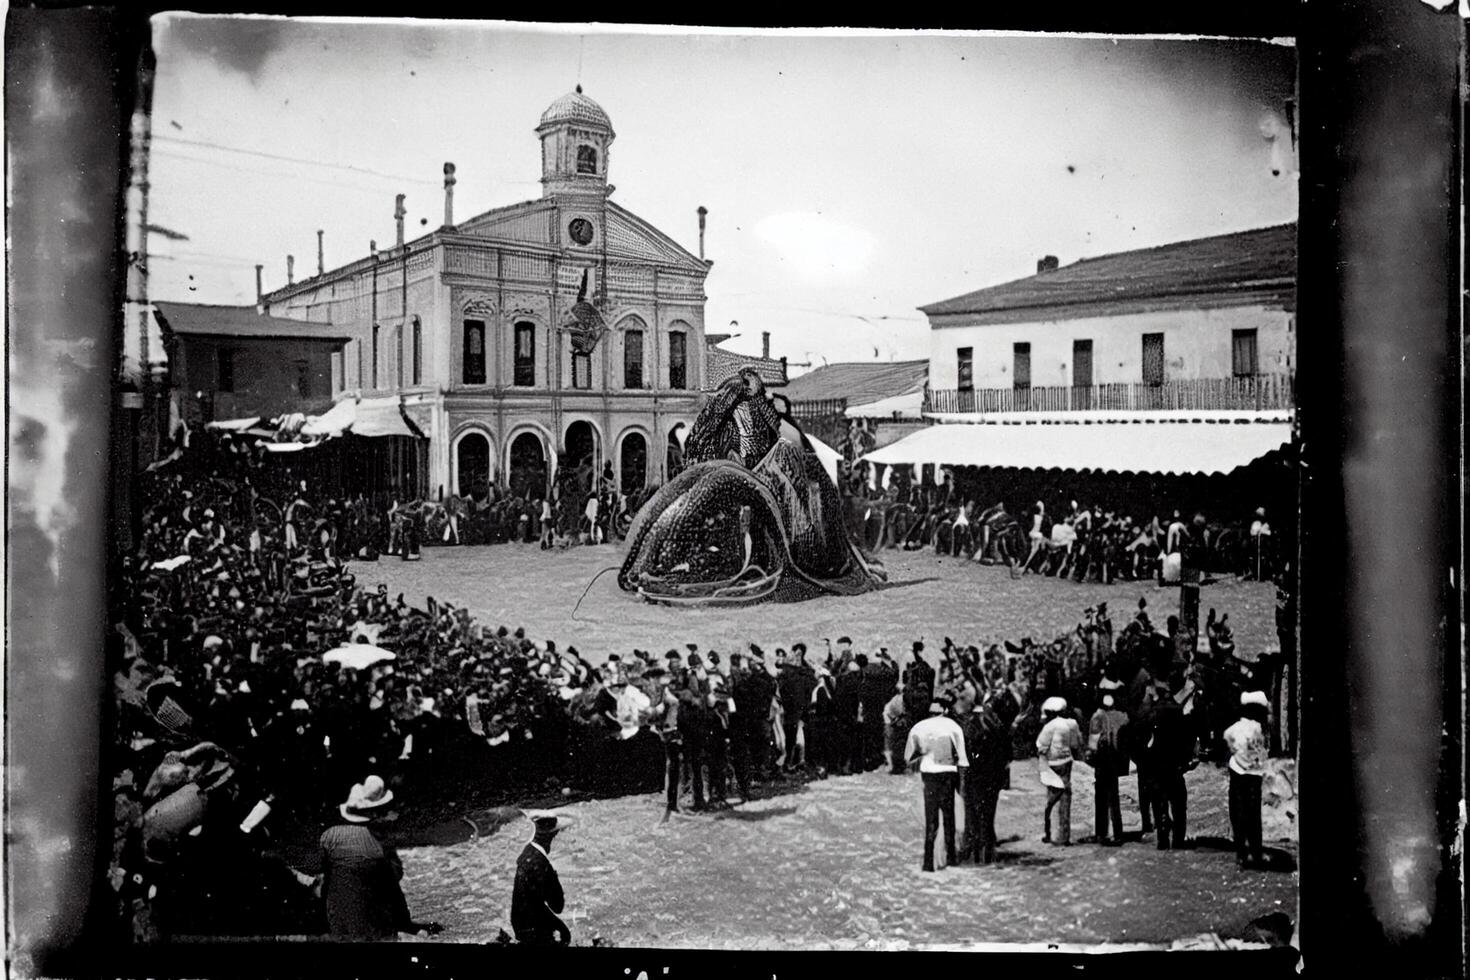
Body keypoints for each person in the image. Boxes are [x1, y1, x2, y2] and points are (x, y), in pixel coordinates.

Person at [318, 776, 441, 941]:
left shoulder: (332, 833)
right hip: (371, 922)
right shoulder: (377, 840)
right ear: (375, 812)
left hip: (336, 916)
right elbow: (393, 883)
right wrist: (404, 924)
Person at [961, 674, 1026, 864]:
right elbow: (1008, 756)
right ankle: (987, 855)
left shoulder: (971, 726)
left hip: (974, 777)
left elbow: (965, 753)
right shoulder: (1001, 731)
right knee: (988, 816)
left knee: (973, 813)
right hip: (993, 778)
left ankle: (973, 853)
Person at [904, 695, 968, 872]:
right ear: (945, 711)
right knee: (949, 816)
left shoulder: (919, 727)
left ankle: (928, 861)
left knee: (931, 819)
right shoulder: (954, 727)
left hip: (929, 775)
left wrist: (924, 752)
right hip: (948, 773)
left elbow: (908, 758)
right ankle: (951, 858)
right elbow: (962, 758)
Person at [511, 810, 574, 946]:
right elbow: (557, 906)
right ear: (549, 836)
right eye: (554, 833)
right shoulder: (541, 864)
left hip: (521, 925)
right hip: (536, 933)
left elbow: (530, 901)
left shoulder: (527, 854)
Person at [1223, 691, 1271, 869]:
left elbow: (1227, 737)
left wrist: (1233, 750)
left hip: (1238, 772)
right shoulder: (1259, 729)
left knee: (1238, 814)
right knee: (1253, 815)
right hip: (1254, 774)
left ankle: (1241, 854)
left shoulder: (1237, 727)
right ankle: (1256, 852)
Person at [1036, 696, 1084, 845]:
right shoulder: (1072, 724)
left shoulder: (1049, 726)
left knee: (1051, 800)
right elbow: (1077, 744)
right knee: (1065, 800)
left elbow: (1041, 747)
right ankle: (1064, 835)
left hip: (1052, 764)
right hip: (1067, 763)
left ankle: (1049, 833)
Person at [1087, 683, 1130, 846]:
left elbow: (1093, 742)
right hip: (1117, 760)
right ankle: (1117, 832)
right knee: (1114, 797)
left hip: (1102, 759)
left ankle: (1102, 832)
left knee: (1101, 797)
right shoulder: (1122, 716)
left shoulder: (1097, 716)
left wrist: (1090, 756)